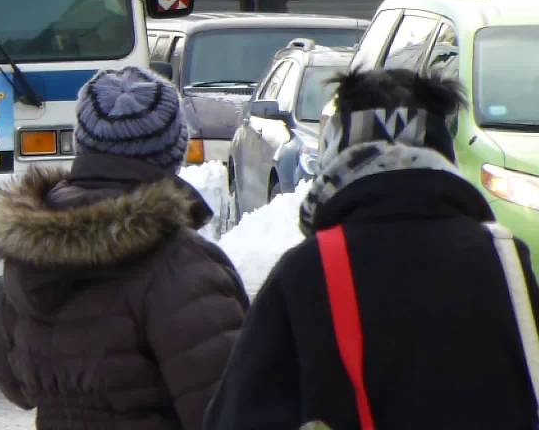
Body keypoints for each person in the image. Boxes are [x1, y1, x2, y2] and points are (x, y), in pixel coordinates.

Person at [205, 69, 539, 429]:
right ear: (444, 152)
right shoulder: (506, 261)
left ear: (337, 151)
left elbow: (236, 418)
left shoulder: (307, 272)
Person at [0, 66, 248, 430]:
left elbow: (15, 386)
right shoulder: (182, 264)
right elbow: (227, 409)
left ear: (85, 143)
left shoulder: (30, 251)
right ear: (172, 151)